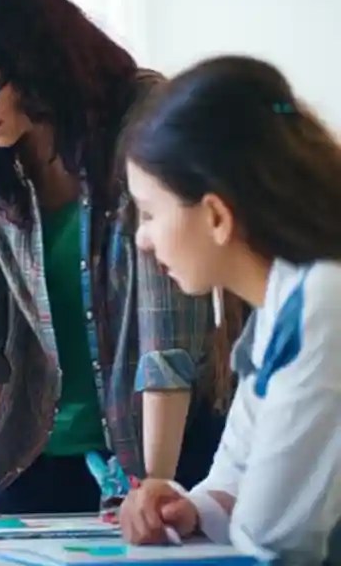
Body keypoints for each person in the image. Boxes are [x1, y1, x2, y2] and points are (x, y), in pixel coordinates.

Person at [0, 0, 231, 521]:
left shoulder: (143, 116)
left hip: (164, 442)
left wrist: (154, 482)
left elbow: (168, 325)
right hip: (36, 452)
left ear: (31, 62)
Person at [117, 56, 341, 563]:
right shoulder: (281, 302)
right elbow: (235, 478)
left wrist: (223, 510)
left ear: (216, 215)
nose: (143, 240)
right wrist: (188, 508)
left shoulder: (324, 302)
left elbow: (275, 533)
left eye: (150, 213)